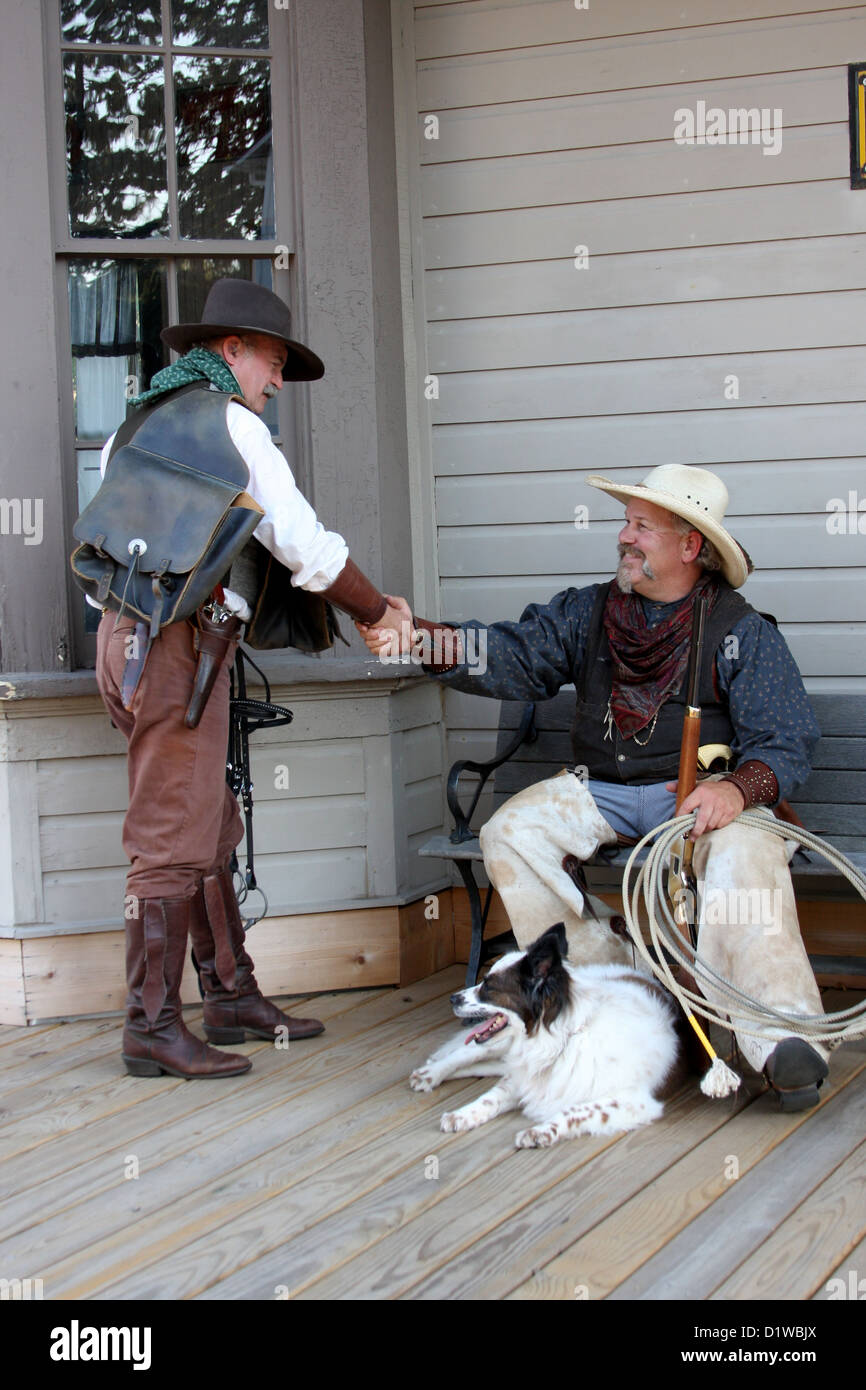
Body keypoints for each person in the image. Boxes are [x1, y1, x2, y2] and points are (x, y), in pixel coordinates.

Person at [358, 464, 831, 1111]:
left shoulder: (741, 632)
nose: (623, 537)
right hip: (602, 788)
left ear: (690, 545)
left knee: (748, 857)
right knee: (511, 833)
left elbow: (787, 736)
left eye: (642, 526)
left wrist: (740, 789)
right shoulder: (590, 611)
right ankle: (621, 985)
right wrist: (420, 640)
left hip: (701, 800)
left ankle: (780, 1040)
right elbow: (510, 654)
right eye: (626, 523)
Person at [77, 279, 406, 1080]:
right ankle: (150, 1027)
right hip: (173, 649)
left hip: (130, 638)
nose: (279, 379)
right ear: (230, 351)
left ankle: (228, 994)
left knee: (206, 820)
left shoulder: (136, 426)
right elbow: (303, 544)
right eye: (273, 359)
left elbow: (106, 559)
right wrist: (378, 611)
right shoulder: (230, 424)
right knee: (168, 840)